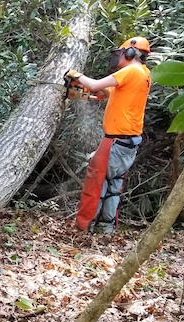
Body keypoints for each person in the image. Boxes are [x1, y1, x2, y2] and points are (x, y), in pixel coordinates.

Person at [66, 37, 152, 234]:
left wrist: (75, 74)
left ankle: (84, 228)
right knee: (114, 185)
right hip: (128, 142)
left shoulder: (131, 70)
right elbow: (106, 91)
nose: (118, 57)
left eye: (120, 53)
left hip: (115, 140)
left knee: (97, 182)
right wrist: (93, 92)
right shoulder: (144, 74)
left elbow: (95, 85)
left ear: (130, 53)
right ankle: (105, 228)